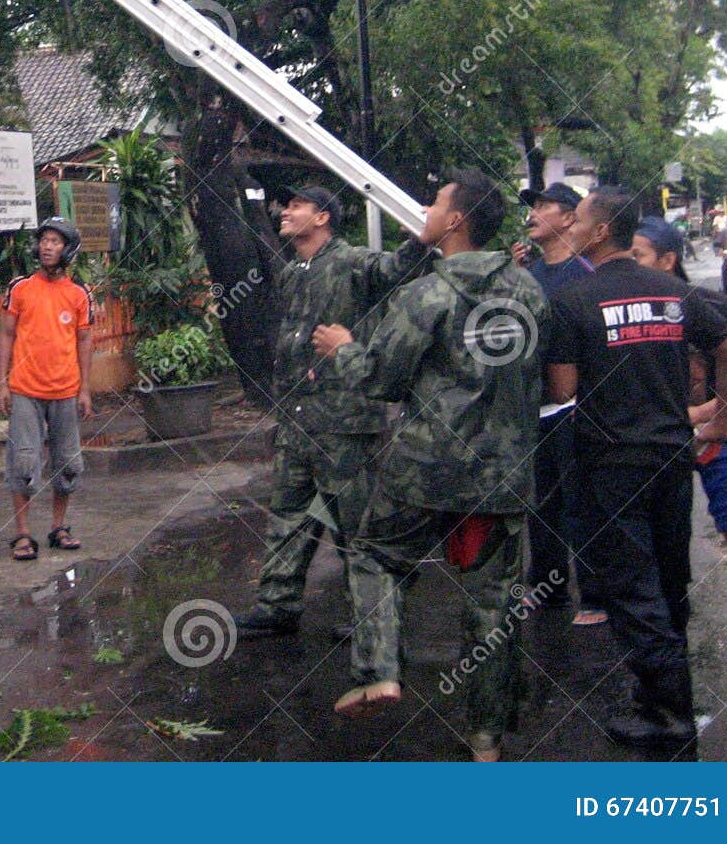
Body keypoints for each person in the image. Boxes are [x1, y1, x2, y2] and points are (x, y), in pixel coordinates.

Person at [311, 169, 548, 762]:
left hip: (426, 471)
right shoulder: (528, 292)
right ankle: (487, 741)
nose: (427, 209)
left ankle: (379, 670)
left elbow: (382, 381)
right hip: (501, 476)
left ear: (457, 221)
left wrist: (341, 349)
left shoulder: (425, 295)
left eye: (437, 202)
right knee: (492, 605)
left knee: (373, 552)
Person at [546, 187, 727, 749]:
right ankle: (658, 695)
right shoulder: (675, 292)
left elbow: (563, 390)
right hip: (669, 457)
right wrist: (724, 419)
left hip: (609, 462)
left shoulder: (572, 301)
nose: (570, 228)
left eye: (579, 220)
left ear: (598, 232)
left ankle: (670, 713)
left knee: (631, 587)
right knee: (667, 579)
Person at [234, 185, 430, 639]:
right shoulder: (292, 273)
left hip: (344, 421)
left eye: (296, 205)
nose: (285, 211)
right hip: (298, 419)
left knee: (353, 522)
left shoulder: (351, 261)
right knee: (289, 513)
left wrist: (420, 235)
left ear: (322, 217)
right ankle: (277, 604)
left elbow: (398, 268)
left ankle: (375, 615)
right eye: (288, 204)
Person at [630, 216, 727, 663]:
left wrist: (705, 415)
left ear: (667, 259)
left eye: (638, 256)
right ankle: (665, 642)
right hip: (658, 443)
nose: (630, 265)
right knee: (656, 542)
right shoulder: (628, 311)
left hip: (721, 439)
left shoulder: (710, 307)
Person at [513, 183, 603, 624]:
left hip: (579, 405)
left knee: (581, 499)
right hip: (535, 406)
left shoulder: (586, 274)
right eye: (533, 206)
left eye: (545, 206)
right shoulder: (527, 274)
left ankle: (595, 594)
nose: (534, 214)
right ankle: (547, 587)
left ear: (569, 218)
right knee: (541, 501)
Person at [0, 217, 94, 561]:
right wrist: (2, 382)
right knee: (23, 462)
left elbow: (84, 341)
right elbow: (6, 335)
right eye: (44, 241)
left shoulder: (79, 294)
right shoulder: (20, 288)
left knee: (67, 462)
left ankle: (58, 527)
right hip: (24, 390)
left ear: (68, 250)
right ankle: (23, 535)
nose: (47, 247)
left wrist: (84, 389)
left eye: (55, 242)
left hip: (66, 391)